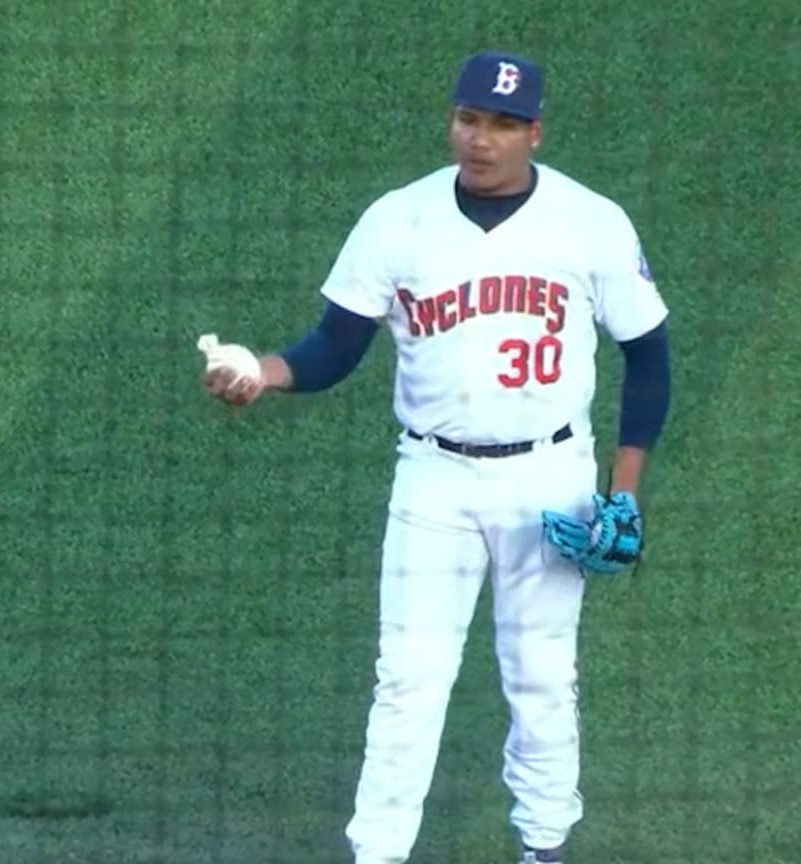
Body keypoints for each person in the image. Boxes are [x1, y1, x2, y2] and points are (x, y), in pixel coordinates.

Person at [200, 49, 672, 864]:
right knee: (408, 680)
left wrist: (622, 492)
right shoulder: (398, 220)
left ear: (534, 132)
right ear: (451, 121)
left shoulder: (590, 221)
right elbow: (334, 345)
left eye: (502, 124)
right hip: (433, 479)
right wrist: (262, 373)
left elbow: (649, 354)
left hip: (550, 478)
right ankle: (378, 854)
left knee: (541, 675)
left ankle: (544, 846)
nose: (481, 138)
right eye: (468, 119)